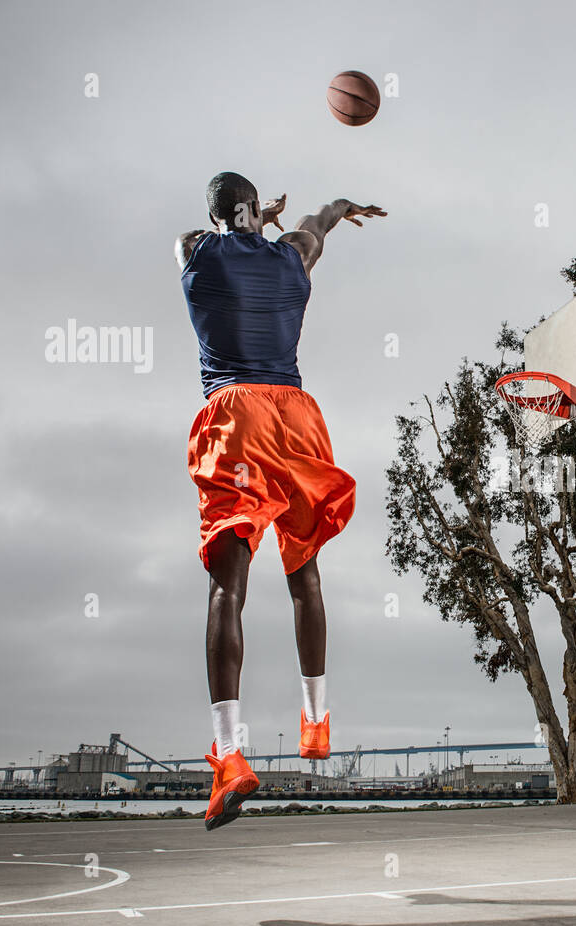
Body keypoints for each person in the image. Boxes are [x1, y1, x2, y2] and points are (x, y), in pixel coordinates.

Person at [175, 172, 386, 830]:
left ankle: (230, 753)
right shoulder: (294, 252)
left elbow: (213, 232)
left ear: (214, 214)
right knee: (304, 572)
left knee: (227, 586)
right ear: (256, 210)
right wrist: (340, 206)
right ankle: (317, 719)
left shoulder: (194, 248)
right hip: (296, 414)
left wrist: (249, 220)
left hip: (235, 413)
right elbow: (319, 222)